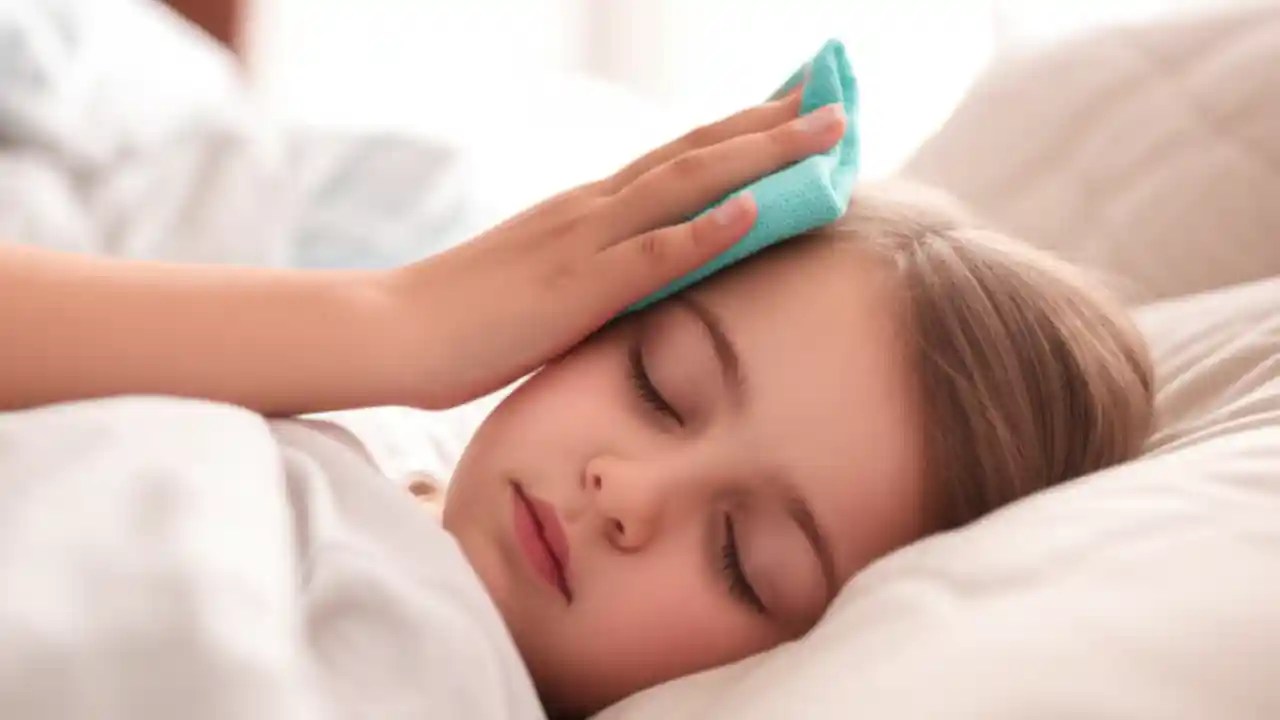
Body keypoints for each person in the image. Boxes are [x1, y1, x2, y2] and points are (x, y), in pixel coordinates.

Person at [0, 91, 1154, 717]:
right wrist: (395, 324)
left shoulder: (435, 671)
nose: (624, 491)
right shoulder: (383, 428)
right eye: (659, 387)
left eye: (742, 560)